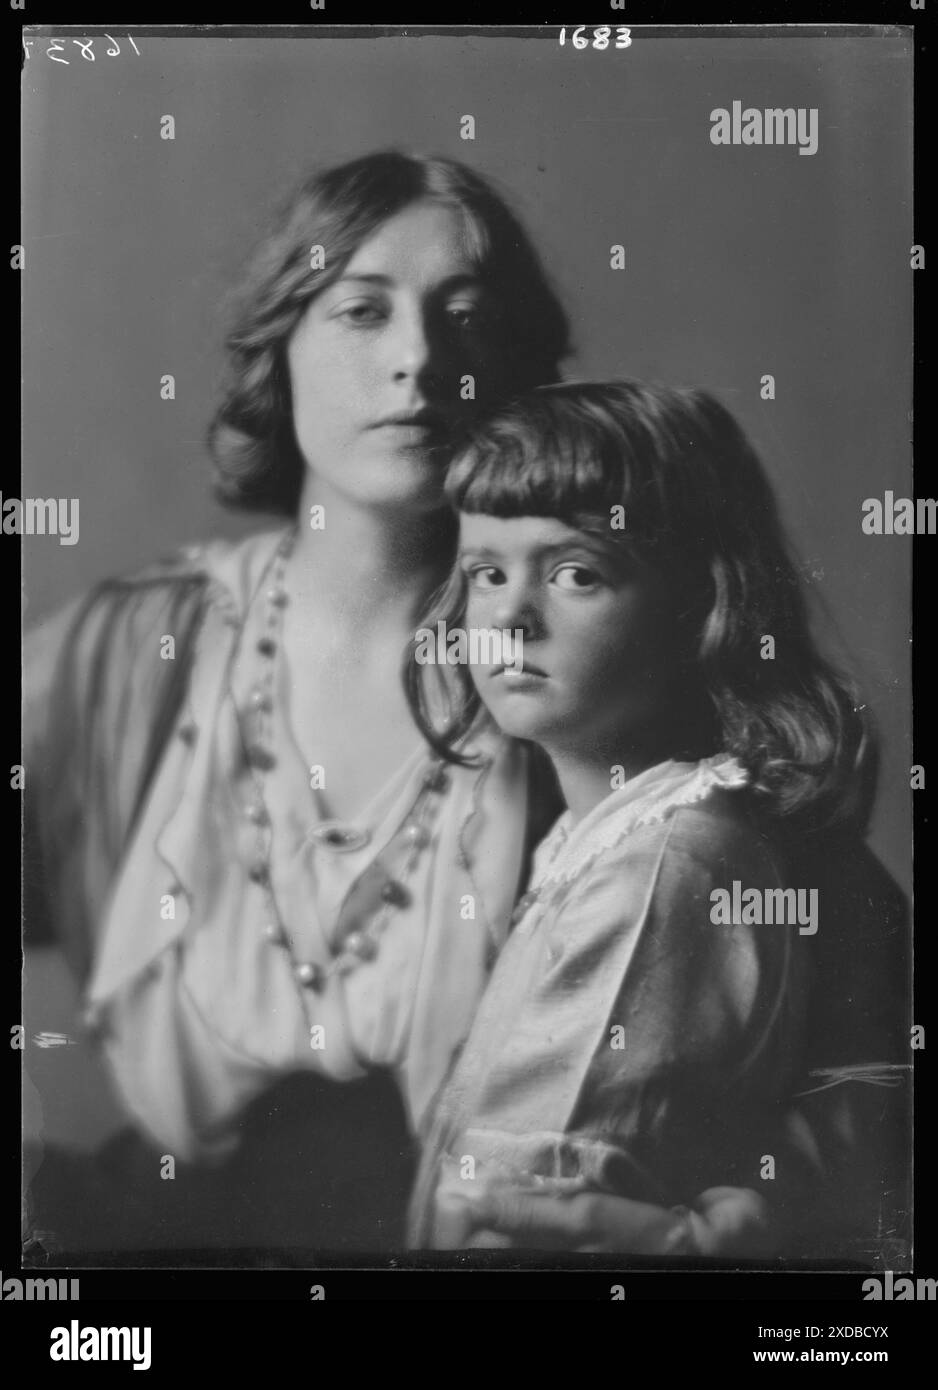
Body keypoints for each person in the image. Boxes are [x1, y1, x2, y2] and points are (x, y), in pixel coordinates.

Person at [23, 152, 872, 1262]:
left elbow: (872, 1043)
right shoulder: (128, 654)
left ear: (517, 369)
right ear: (278, 344)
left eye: (464, 319)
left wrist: (751, 1211)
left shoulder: (614, 691)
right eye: (361, 312)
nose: (417, 360)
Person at [406, 381, 911, 1256]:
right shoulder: (602, 840)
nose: (511, 617)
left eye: (575, 574)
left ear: (698, 607)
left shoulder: (669, 863)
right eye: (488, 571)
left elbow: (527, 1209)